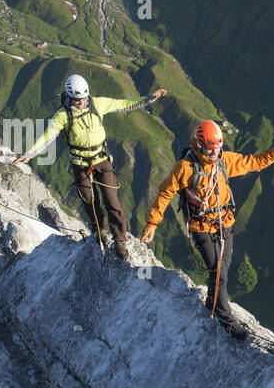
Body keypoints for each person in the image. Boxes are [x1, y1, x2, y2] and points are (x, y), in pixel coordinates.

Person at [142, 120, 274, 339]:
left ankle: (212, 302)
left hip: (224, 223)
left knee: (223, 268)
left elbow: (253, 163)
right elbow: (165, 192)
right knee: (217, 267)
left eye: (217, 149)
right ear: (200, 146)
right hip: (200, 226)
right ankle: (225, 320)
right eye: (211, 151)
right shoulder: (185, 167)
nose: (215, 154)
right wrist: (153, 223)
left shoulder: (224, 160)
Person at [17, 74, 167, 260]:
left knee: (112, 200)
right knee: (89, 200)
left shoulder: (96, 104)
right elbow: (47, 136)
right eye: (77, 100)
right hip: (80, 164)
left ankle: (120, 240)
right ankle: (100, 232)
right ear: (70, 98)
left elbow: (123, 104)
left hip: (101, 159)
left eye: (83, 99)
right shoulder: (62, 115)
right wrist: (29, 154)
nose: (81, 103)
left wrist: (149, 99)